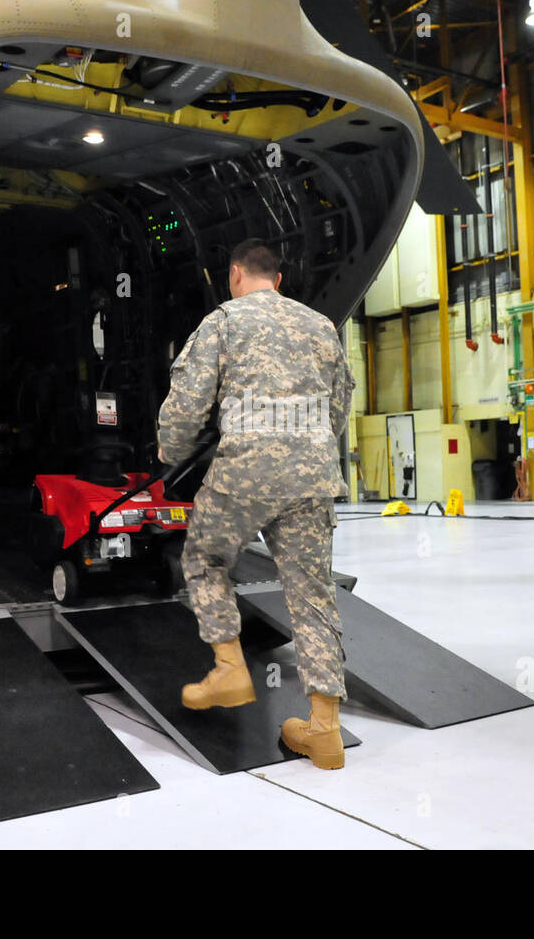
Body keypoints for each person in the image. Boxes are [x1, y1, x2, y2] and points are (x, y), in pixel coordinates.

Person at [156, 239, 355, 769]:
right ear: (280, 280)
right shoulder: (321, 326)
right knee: (312, 597)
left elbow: (187, 402)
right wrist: (308, 448)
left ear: (236, 273)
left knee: (204, 558)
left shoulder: (223, 321)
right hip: (311, 477)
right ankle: (324, 732)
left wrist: (169, 455)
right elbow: (339, 406)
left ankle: (229, 669)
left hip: (245, 474)